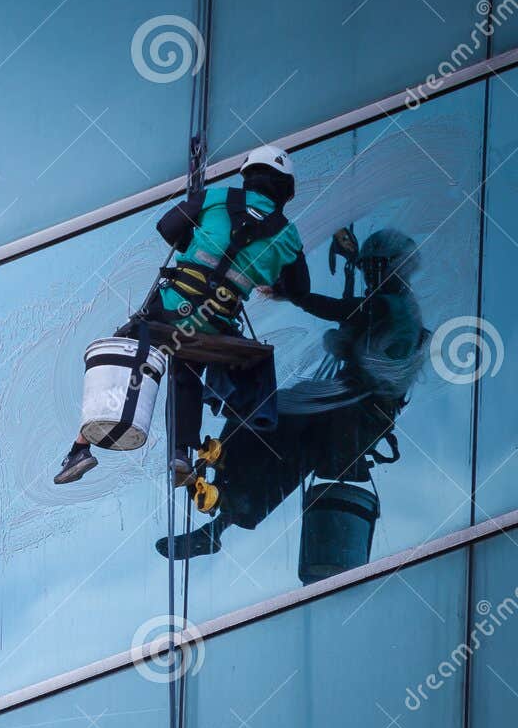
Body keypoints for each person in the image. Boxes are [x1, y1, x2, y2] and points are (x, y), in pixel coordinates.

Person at [155, 226, 427, 560]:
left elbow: (343, 311)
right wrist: (351, 255)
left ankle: (222, 509)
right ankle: (219, 526)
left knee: (259, 417)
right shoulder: (400, 307)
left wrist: (293, 294)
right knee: (290, 460)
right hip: (359, 411)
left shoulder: (390, 306)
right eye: (367, 270)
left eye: (375, 269)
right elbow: (360, 316)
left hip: (350, 402)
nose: (370, 276)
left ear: (391, 268)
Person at [54, 145, 308, 486]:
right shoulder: (287, 235)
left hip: (172, 308)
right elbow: (300, 289)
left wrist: (200, 242)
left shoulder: (217, 197)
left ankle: (81, 448)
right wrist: (271, 285)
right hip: (217, 324)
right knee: (186, 365)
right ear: (286, 192)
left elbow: (167, 226)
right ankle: (181, 453)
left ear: (248, 178)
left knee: (124, 348)